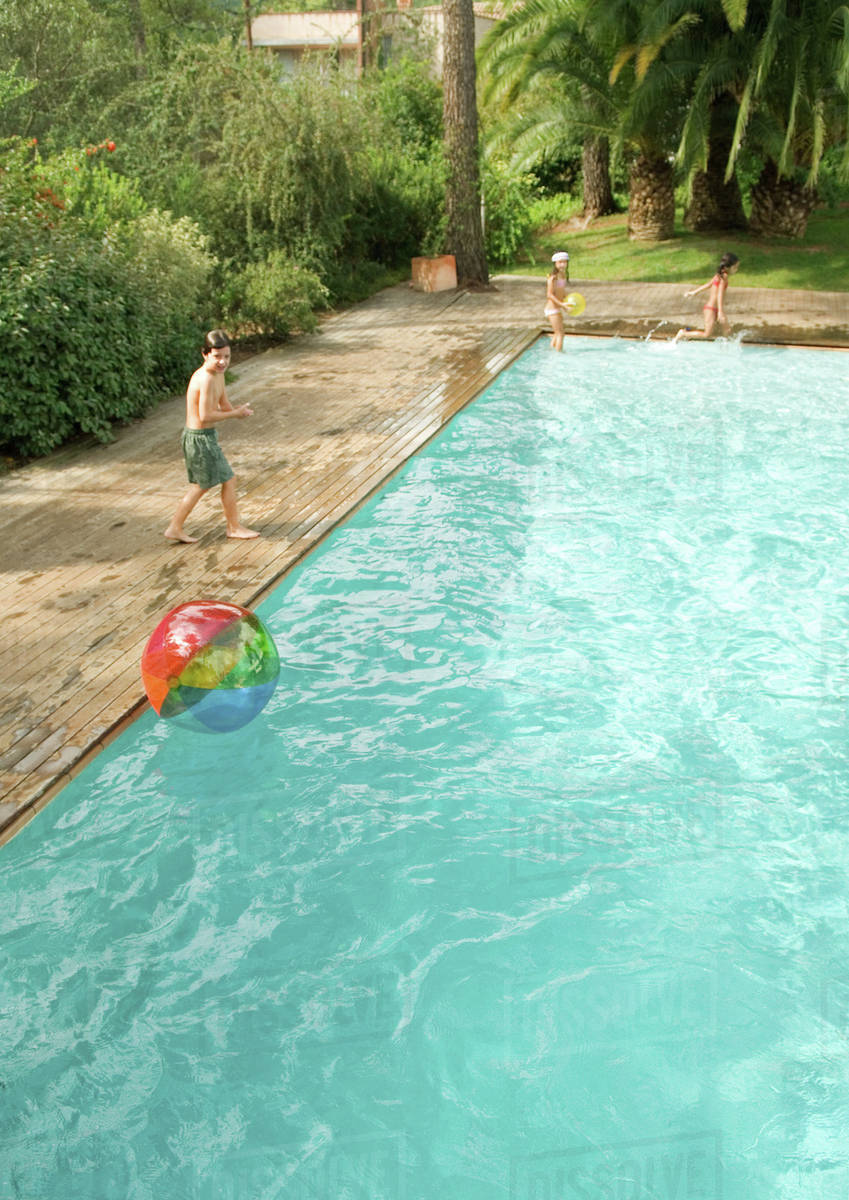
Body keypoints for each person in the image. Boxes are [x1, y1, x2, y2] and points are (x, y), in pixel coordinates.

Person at [164, 329, 260, 543]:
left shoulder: (218, 374)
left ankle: (179, 527)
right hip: (198, 439)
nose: (222, 362)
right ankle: (230, 527)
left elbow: (224, 404)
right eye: (217, 356)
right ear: (205, 354)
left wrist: (238, 410)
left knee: (220, 481)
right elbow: (205, 415)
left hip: (206, 437)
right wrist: (234, 415)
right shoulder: (206, 378)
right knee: (210, 483)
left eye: (227, 356)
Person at [674, 253, 740, 342]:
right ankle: (683, 333)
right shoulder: (723, 277)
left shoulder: (719, 275)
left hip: (714, 308)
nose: (736, 270)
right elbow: (719, 294)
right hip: (711, 309)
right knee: (707, 334)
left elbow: (708, 284)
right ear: (728, 267)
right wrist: (720, 311)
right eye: (735, 267)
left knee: (727, 329)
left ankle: (725, 347)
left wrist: (694, 292)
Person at [545, 251, 572, 351]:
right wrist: (562, 304)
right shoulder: (553, 278)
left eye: (564, 262)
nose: (562, 265)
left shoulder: (562, 276)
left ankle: (552, 352)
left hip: (558, 308)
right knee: (561, 334)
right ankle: (559, 354)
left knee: (557, 333)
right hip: (552, 310)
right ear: (555, 263)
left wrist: (567, 300)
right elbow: (549, 295)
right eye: (560, 262)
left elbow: (561, 291)